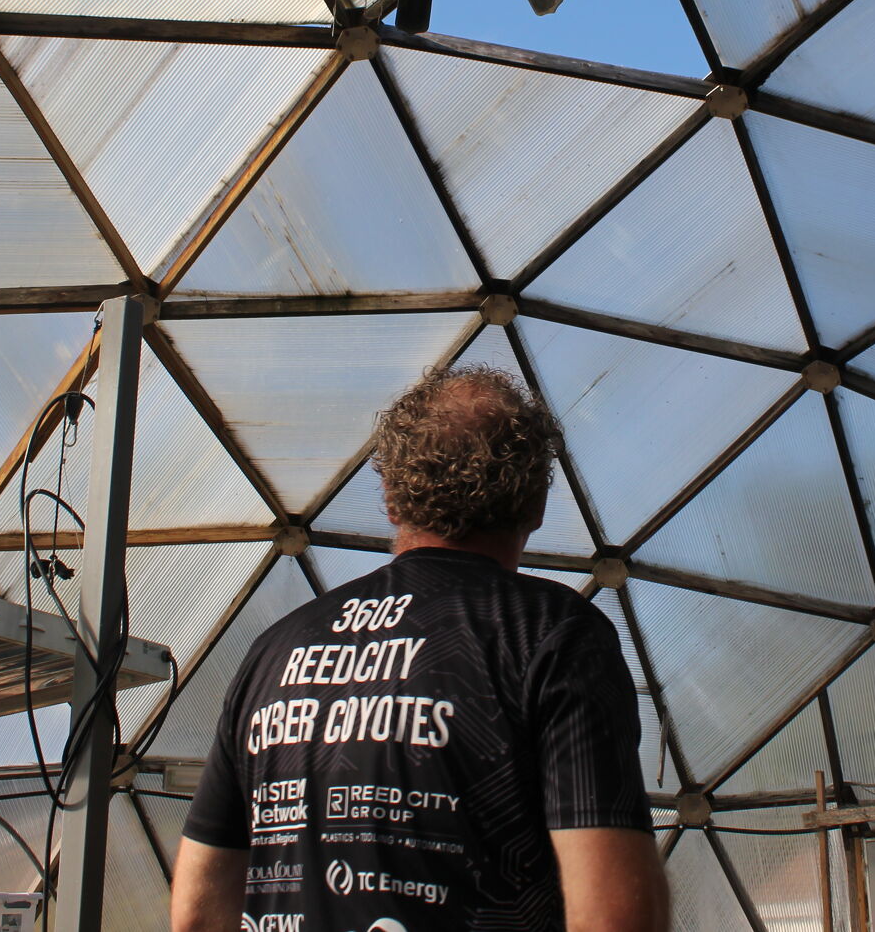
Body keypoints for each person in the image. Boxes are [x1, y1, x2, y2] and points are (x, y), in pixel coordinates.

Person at [171, 364, 669, 932]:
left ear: (391, 498)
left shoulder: (277, 651)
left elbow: (197, 910)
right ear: (535, 506)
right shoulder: (551, 635)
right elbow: (615, 912)